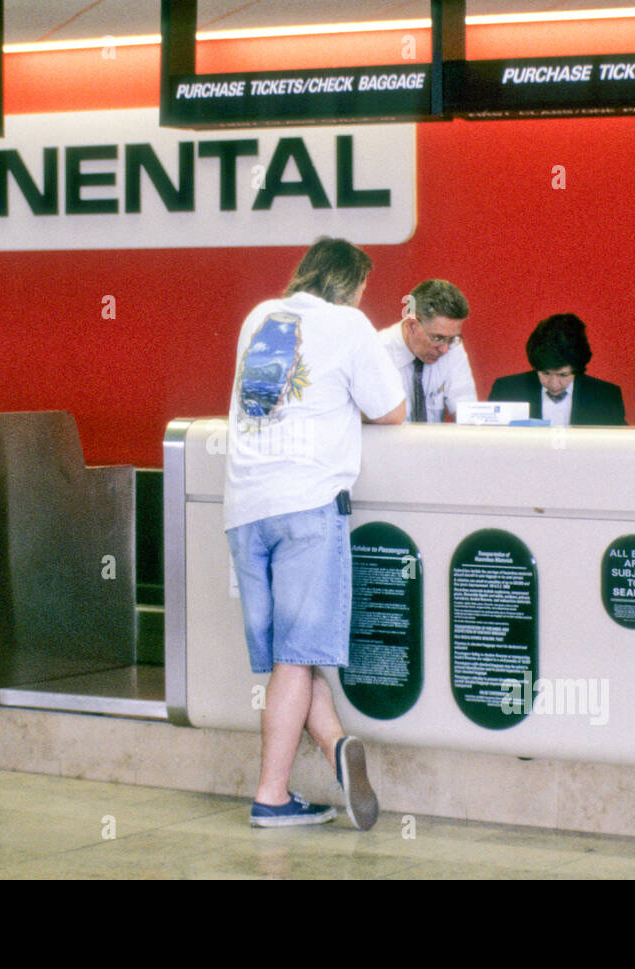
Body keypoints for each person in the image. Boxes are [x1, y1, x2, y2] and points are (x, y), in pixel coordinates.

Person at [224, 237, 405, 829]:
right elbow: (392, 409)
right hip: (306, 504)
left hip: (245, 506)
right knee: (298, 659)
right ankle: (270, 795)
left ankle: (333, 746)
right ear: (350, 284)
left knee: (288, 658)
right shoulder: (349, 324)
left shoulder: (259, 316)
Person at [488, 313, 626, 426]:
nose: (553, 384)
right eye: (545, 373)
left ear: (577, 369)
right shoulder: (506, 391)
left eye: (563, 375)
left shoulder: (606, 397)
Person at [379, 279, 477, 422]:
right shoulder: (378, 351)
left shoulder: (453, 347)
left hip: (434, 444)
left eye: (451, 339)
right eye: (437, 338)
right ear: (412, 326)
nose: (444, 349)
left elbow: (468, 413)